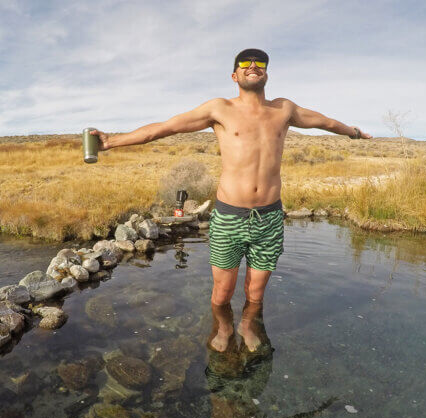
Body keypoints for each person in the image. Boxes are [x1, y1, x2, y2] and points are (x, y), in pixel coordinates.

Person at [89, 48, 372, 309]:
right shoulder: (219, 109)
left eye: (259, 63)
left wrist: (354, 132)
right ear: (234, 76)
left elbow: (325, 122)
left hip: (269, 218)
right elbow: (164, 128)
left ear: (266, 74)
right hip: (229, 217)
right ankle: (222, 333)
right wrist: (111, 141)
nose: (253, 65)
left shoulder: (284, 109)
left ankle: (250, 328)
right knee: (222, 293)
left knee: (256, 294)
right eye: (245, 63)